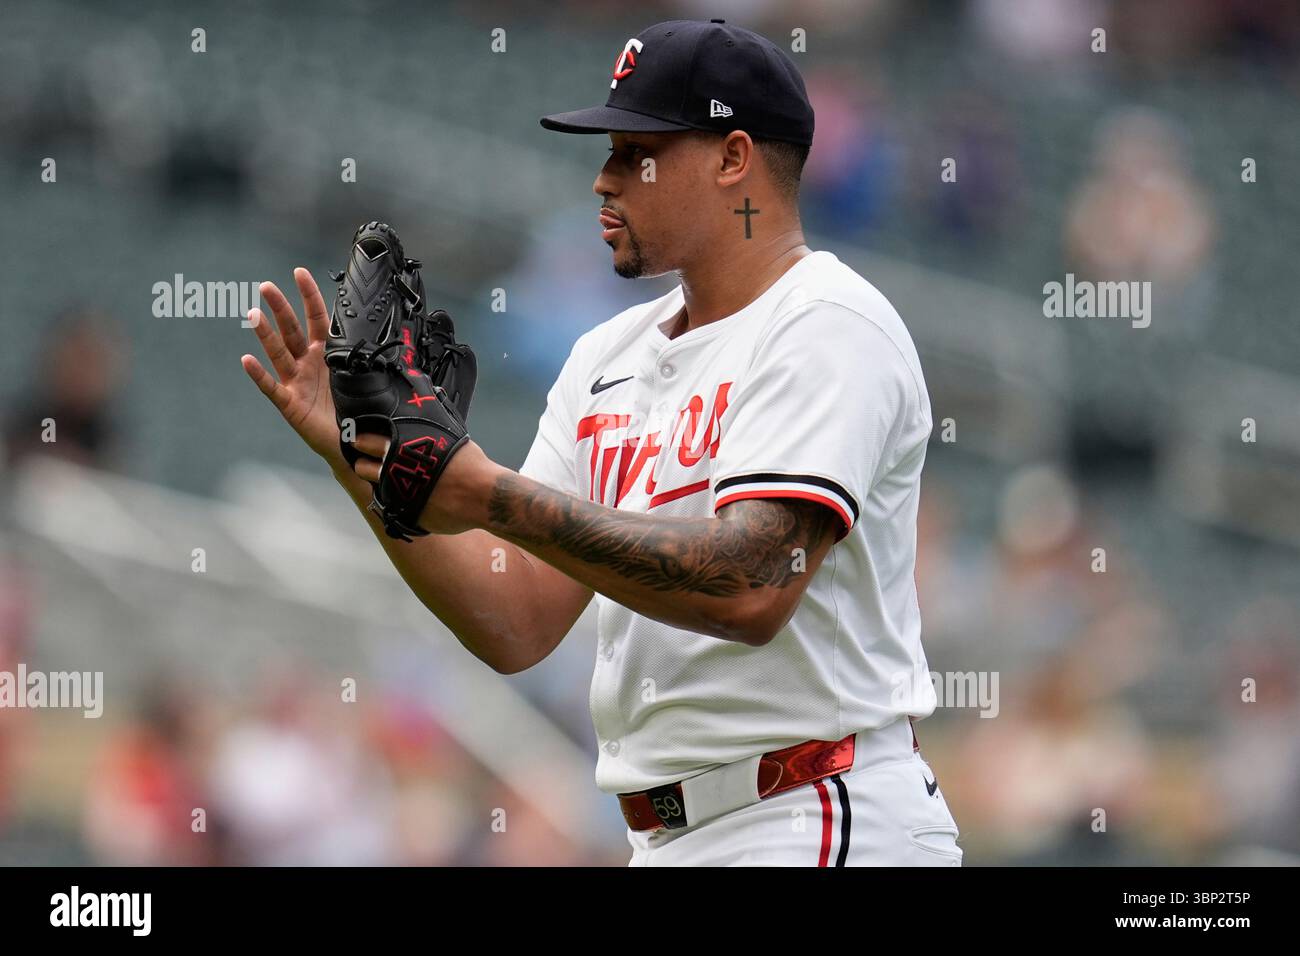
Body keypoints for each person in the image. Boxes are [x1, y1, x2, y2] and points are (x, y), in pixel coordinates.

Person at [241, 18, 959, 866]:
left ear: (734, 160)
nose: (603, 179)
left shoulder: (827, 324)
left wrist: (489, 494)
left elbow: (752, 585)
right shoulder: (605, 358)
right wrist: (361, 463)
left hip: (813, 812)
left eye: (634, 151)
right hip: (669, 835)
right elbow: (516, 622)